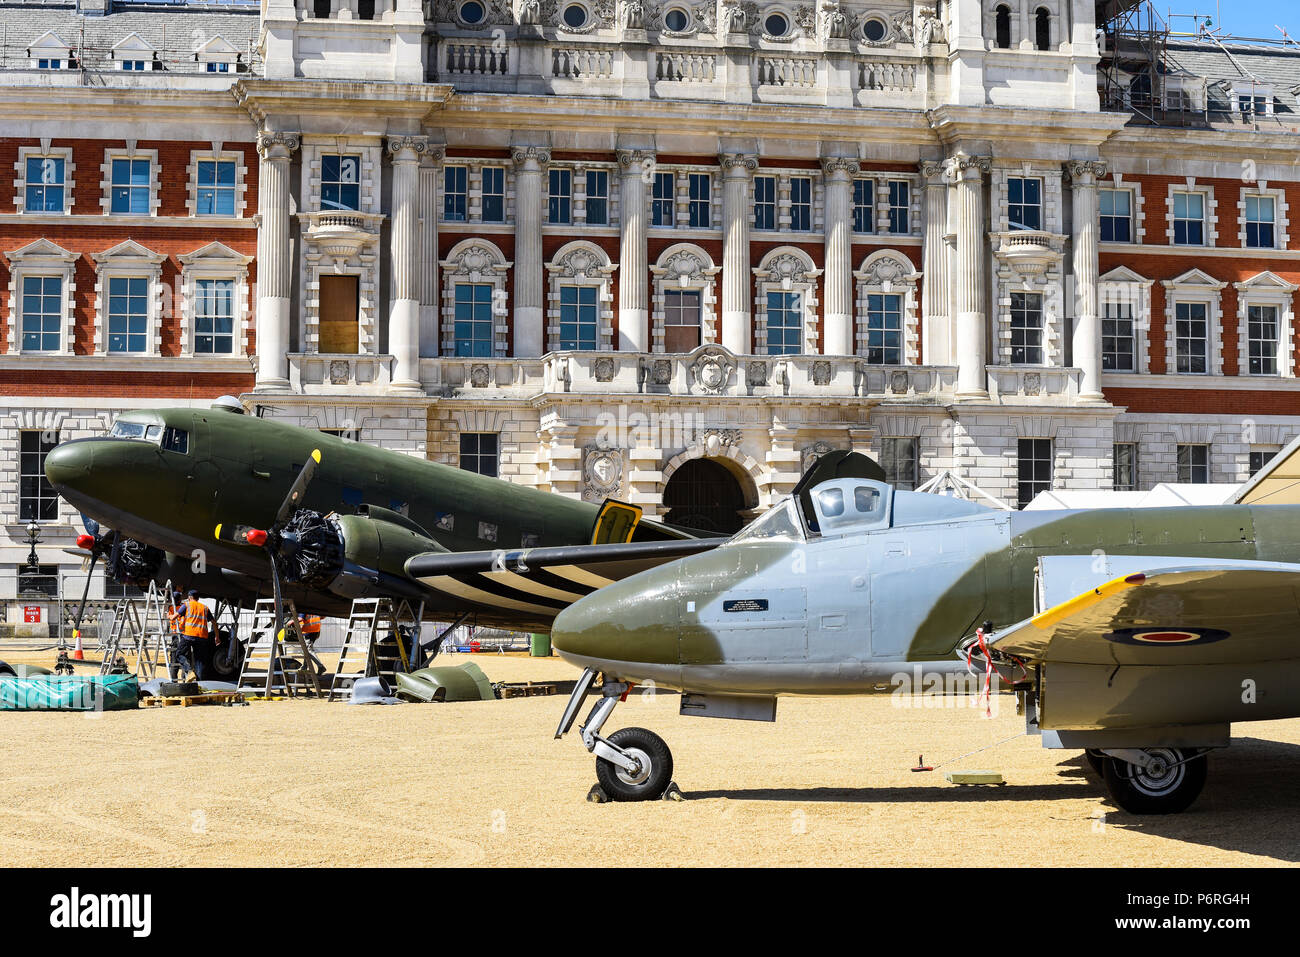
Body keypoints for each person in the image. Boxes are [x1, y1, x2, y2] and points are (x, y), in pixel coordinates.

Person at [176, 589, 216, 681]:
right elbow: (214, 622)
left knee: (179, 653)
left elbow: (175, 616)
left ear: (190, 597)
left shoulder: (187, 605)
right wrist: (217, 637)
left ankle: (189, 671)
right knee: (200, 661)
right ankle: (200, 683)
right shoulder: (205, 607)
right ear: (198, 598)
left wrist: (169, 616)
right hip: (202, 637)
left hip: (188, 635)